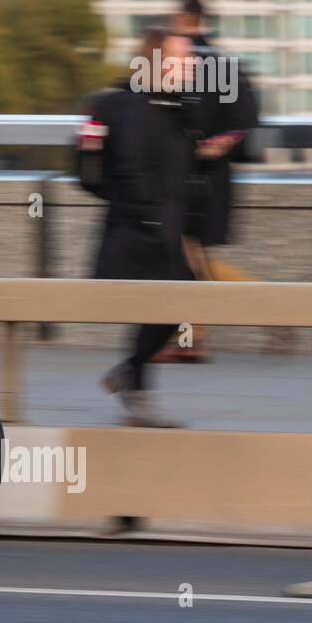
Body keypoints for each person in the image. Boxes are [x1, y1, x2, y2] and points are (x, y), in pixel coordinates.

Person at [79, 27, 197, 427]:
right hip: (142, 230)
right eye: (183, 58)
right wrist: (147, 214)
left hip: (152, 227)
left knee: (170, 305)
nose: (192, 64)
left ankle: (133, 380)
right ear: (160, 62)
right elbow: (127, 167)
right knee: (174, 303)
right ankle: (134, 382)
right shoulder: (139, 107)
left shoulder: (167, 105)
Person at [151, 0, 267, 361]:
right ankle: (267, 309)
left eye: (174, 18)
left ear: (187, 19)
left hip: (199, 180)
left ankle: (270, 308)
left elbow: (243, 124)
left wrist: (215, 144)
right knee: (191, 257)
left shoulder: (194, 63)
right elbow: (247, 122)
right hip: (200, 179)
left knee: (188, 257)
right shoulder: (221, 63)